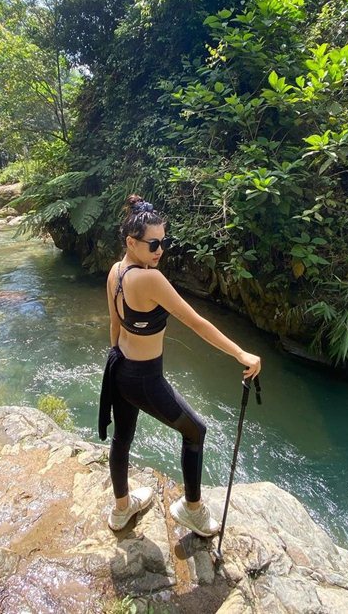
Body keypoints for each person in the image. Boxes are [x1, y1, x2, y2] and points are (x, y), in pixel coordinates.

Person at [98, 194, 262, 537]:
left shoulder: (115, 272)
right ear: (131, 242)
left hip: (120, 368)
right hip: (145, 378)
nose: (160, 250)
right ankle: (191, 510)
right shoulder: (150, 280)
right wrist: (240, 354)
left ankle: (122, 509)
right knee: (196, 431)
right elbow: (196, 323)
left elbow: (114, 325)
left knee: (122, 438)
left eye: (163, 242)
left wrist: (118, 368)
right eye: (153, 244)